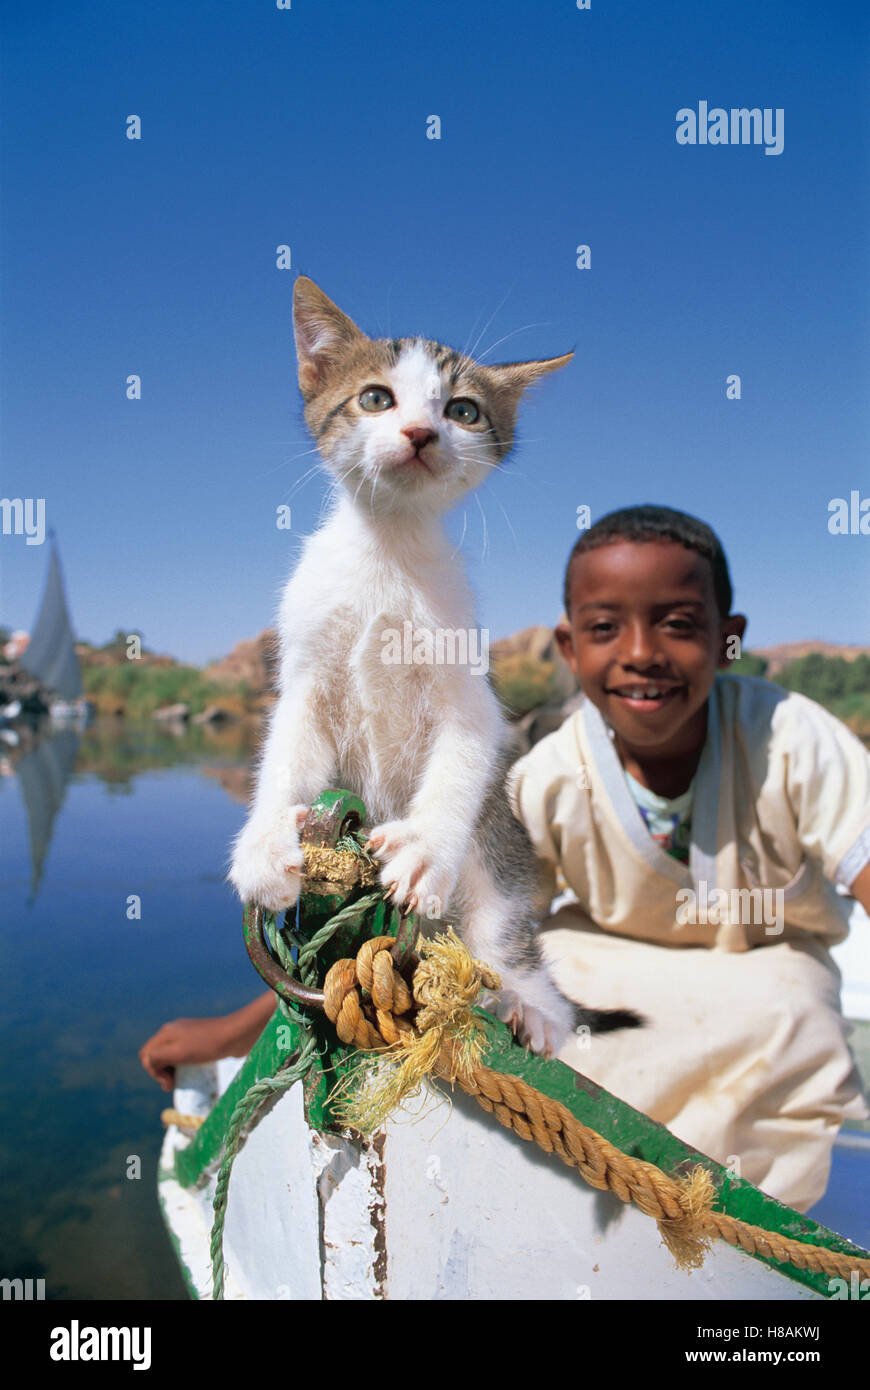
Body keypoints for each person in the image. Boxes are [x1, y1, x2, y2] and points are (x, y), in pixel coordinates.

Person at [506, 504, 870, 1211]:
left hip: (767, 970)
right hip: (607, 961)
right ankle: (579, 1204)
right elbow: (484, 925)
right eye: (605, 628)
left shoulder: (789, 735)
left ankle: (744, 1235)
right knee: (536, 991)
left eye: (678, 623)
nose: (641, 651)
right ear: (569, 645)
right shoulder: (547, 775)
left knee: (797, 1014)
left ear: (728, 641)